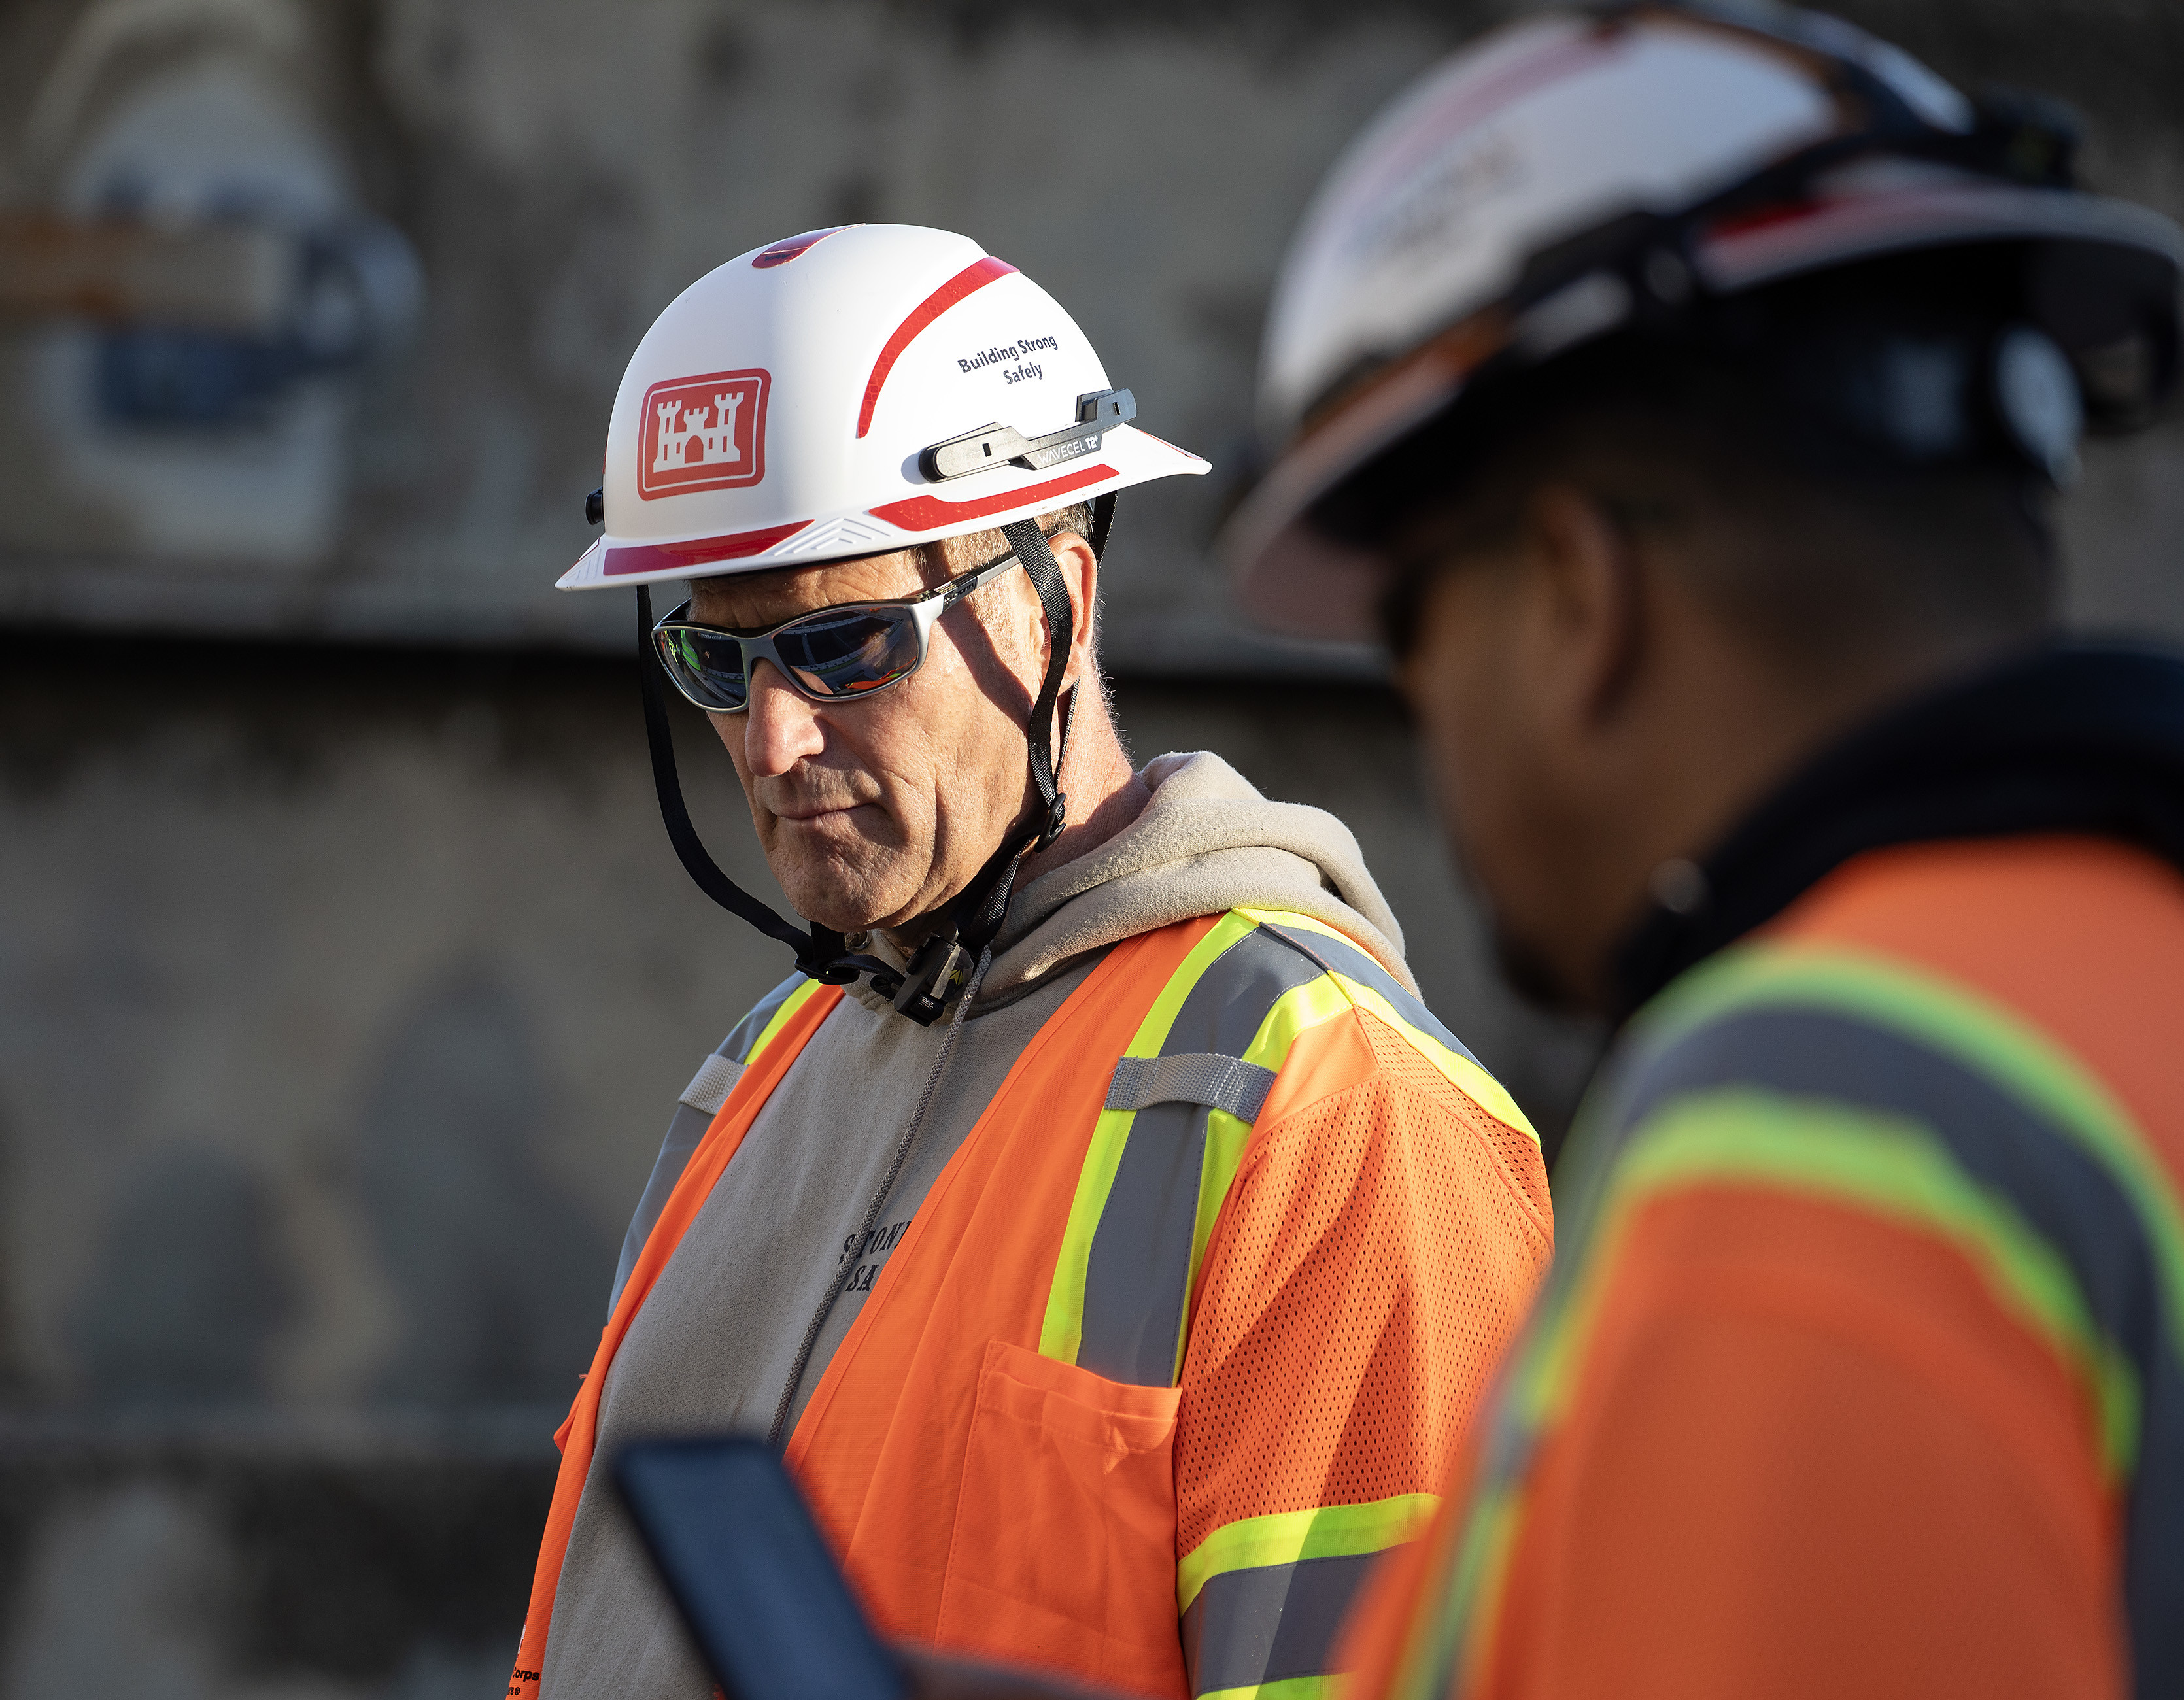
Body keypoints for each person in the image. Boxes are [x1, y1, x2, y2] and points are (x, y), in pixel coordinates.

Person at [1214, 3, 2184, 1695]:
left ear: (1578, 598)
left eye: (1416, 642)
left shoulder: (1826, 1117)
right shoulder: (2109, 994)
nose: (1425, 726)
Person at [511, 224, 1554, 1700]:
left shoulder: (1330, 1106)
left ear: (1047, 597)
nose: (774, 741)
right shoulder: (758, 1076)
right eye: (719, 663)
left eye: (846, 645)